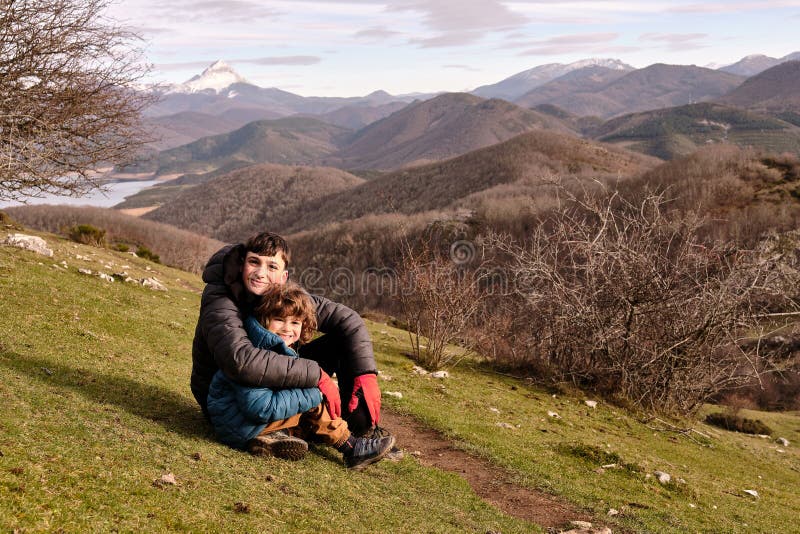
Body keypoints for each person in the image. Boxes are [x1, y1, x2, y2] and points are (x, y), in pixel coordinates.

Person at [190, 231, 387, 439]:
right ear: (241, 265)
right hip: (225, 401)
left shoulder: (282, 297)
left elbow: (347, 319)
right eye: (254, 262)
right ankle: (284, 428)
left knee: (341, 342)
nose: (261, 273)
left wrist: (366, 373)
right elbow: (240, 360)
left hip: (267, 386)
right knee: (278, 374)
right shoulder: (220, 300)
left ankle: (358, 428)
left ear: (283, 277)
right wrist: (316, 374)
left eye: (272, 267)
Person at [206, 283, 395, 469]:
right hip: (237, 425)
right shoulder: (257, 352)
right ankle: (352, 447)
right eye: (279, 319)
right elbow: (260, 407)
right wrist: (315, 395)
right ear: (264, 319)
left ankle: (275, 438)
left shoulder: (278, 348)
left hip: (245, 421)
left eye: (295, 322)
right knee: (312, 400)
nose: (287, 328)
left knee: (304, 396)